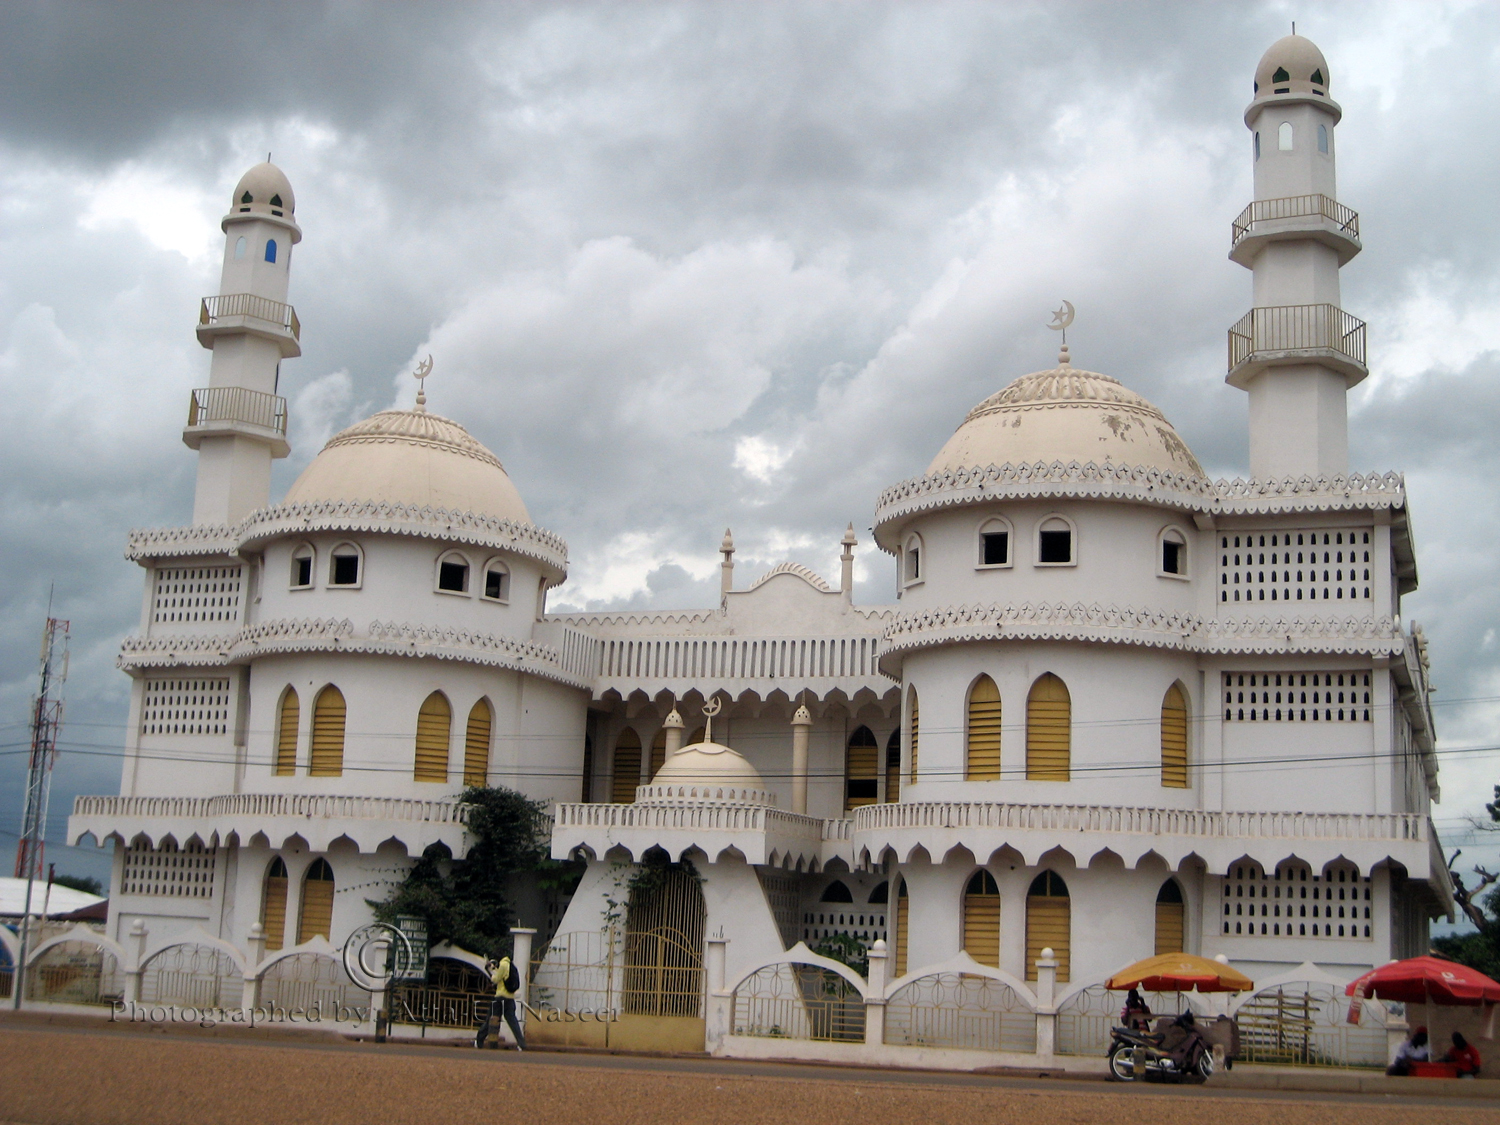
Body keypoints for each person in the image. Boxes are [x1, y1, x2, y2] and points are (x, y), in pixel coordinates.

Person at [475, 954, 525, 1051]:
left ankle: (479, 1041)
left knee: (490, 1019)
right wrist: (494, 969)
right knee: (513, 1021)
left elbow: (495, 979)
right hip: (509, 998)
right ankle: (522, 1044)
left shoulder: (502, 965)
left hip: (500, 997)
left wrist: (489, 970)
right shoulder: (510, 965)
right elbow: (502, 977)